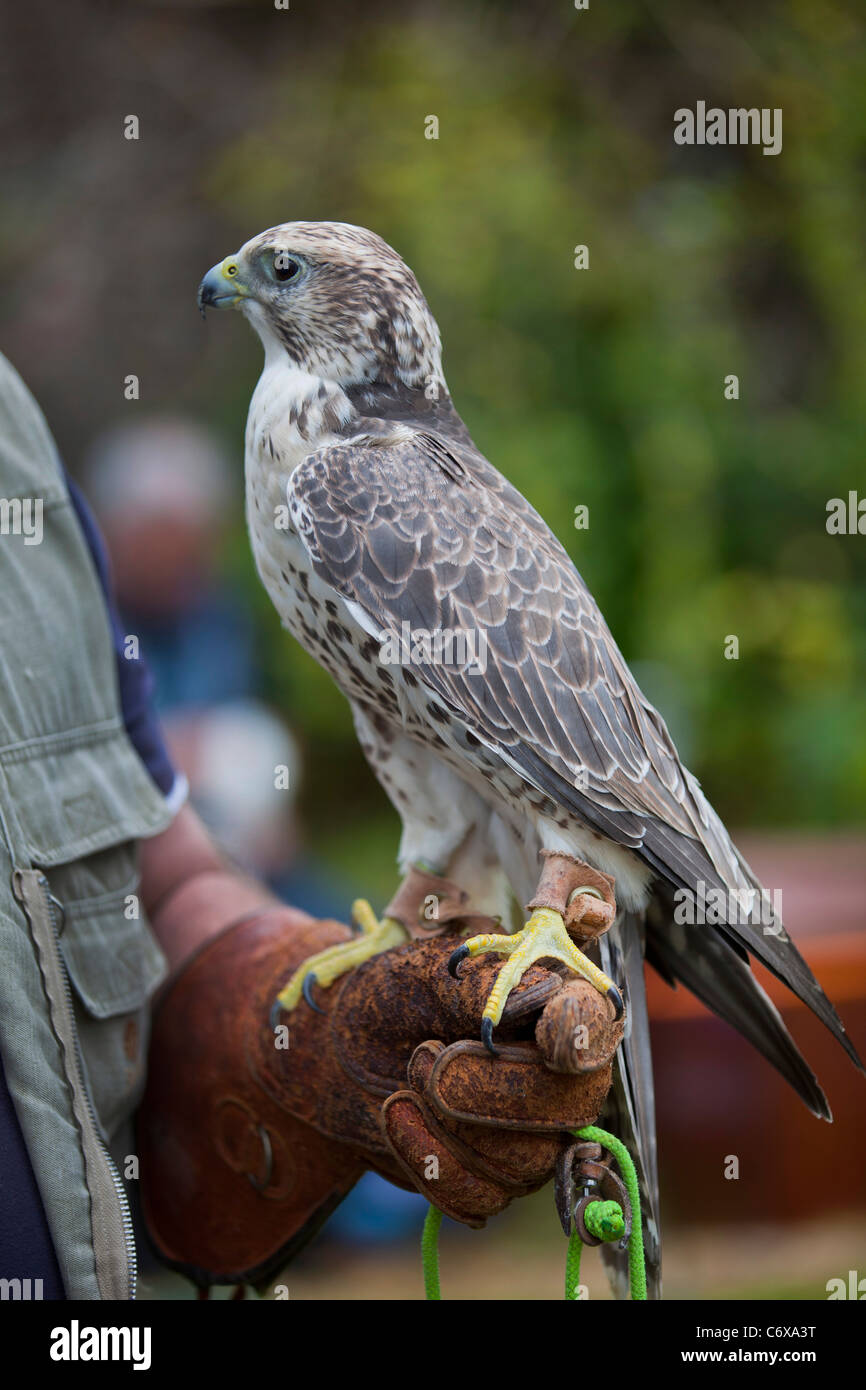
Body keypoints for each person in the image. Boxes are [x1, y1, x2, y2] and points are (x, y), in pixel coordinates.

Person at [0, 352, 620, 1299]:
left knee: (360, 960)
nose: (184, 551)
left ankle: (378, 1220)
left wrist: (294, 1037)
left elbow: (158, 873)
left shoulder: (26, 480)